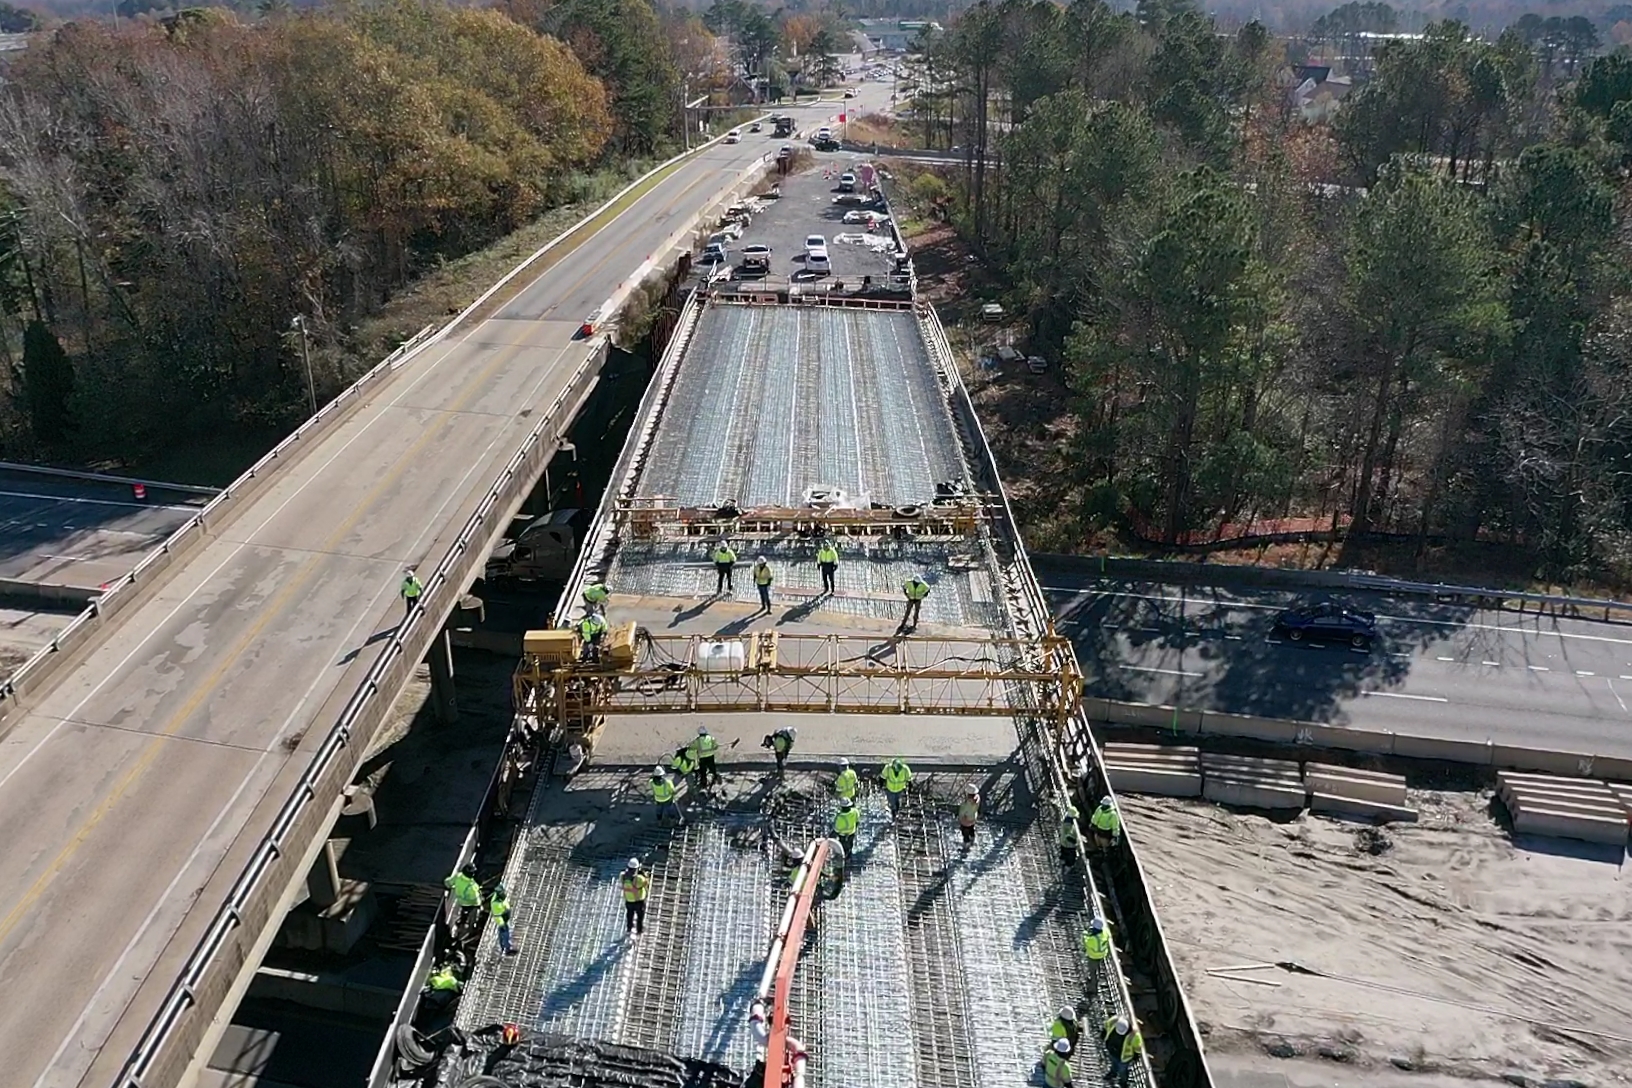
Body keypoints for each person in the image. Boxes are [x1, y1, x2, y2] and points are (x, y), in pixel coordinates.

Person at [1102, 1015, 1143, 1087]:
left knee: (1122, 1071)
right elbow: (1106, 1025)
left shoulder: (1134, 1035)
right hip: (1112, 1051)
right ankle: (1113, 1073)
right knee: (1113, 1064)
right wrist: (1104, 1032)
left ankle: (1123, 1082)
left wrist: (1136, 1055)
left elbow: (1138, 1047)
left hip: (1124, 1058)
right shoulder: (1114, 1020)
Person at [444, 863, 483, 936]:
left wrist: (446, 884)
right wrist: (480, 904)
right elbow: (476, 900)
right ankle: (472, 927)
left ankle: (462, 920)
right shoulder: (472, 887)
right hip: (471, 904)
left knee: (464, 911)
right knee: (473, 915)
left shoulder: (458, 877)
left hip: (461, 902)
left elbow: (448, 882)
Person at [621, 857, 650, 938]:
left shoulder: (622, 876)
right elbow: (646, 882)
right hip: (639, 901)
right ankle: (639, 931)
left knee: (629, 915)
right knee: (640, 917)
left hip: (628, 900)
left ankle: (629, 929)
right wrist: (644, 875)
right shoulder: (639, 878)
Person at [490, 882, 516, 955]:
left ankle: (504, 947)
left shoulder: (499, 897)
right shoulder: (496, 904)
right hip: (502, 920)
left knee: (503, 933)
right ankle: (506, 948)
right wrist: (503, 922)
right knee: (504, 933)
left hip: (504, 918)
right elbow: (498, 914)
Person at [834, 797, 859, 862]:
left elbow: (836, 829)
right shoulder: (855, 811)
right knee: (850, 844)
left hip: (842, 835)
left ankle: (843, 858)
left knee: (842, 847)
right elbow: (857, 821)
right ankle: (849, 857)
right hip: (851, 832)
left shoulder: (839, 816)